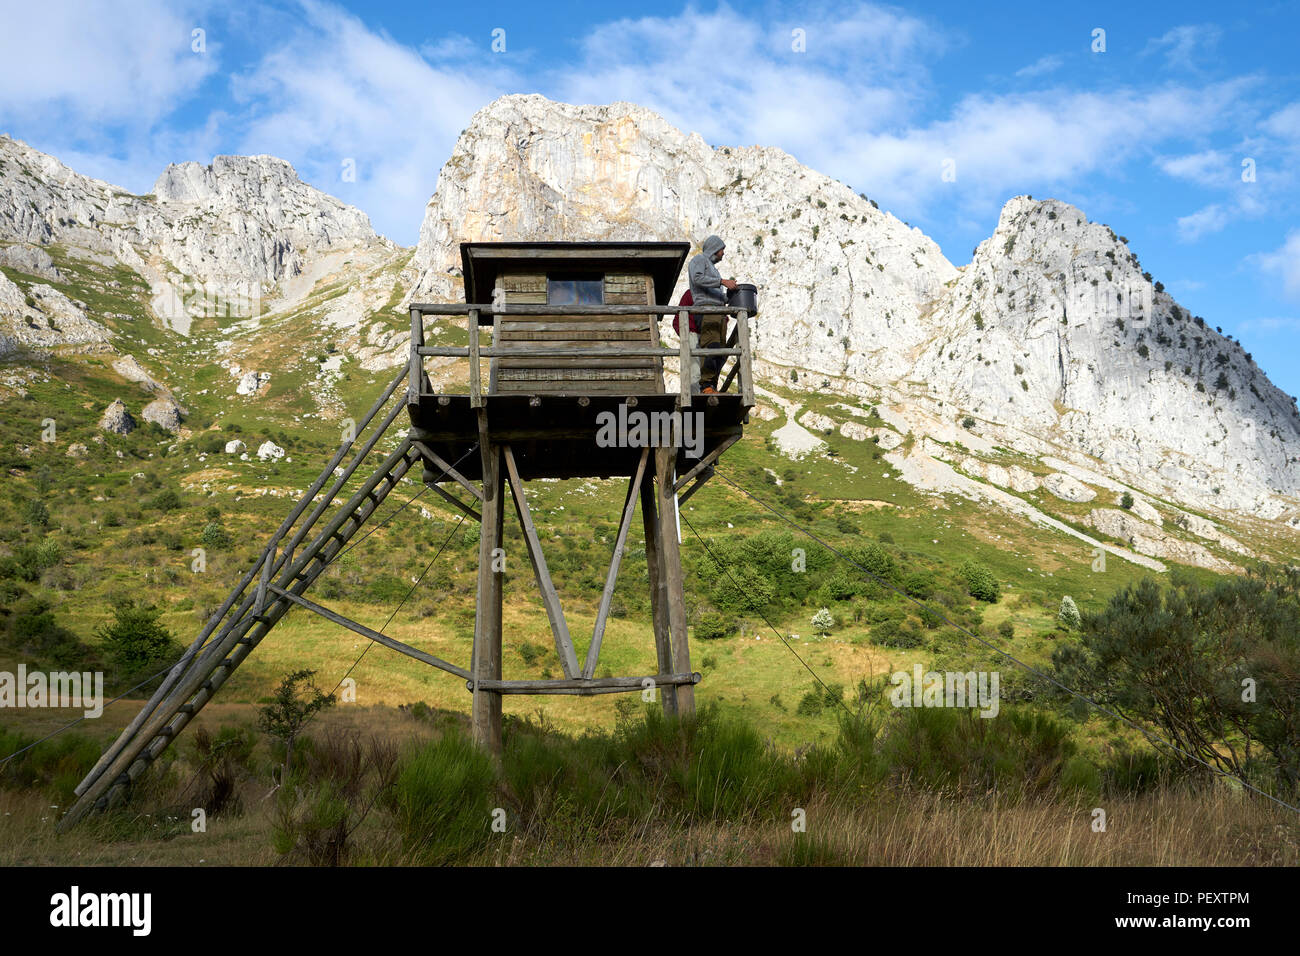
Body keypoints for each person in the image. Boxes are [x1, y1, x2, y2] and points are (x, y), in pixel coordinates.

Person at [686, 235, 737, 393]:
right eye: (722, 249)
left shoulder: (713, 268)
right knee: (711, 345)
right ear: (715, 248)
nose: (723, 253)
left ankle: (711, 385)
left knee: (719, 351)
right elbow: (697, 278)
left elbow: (716, 294)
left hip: (717, 312)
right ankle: (705, 385)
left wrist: (728, 295)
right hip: (706, 310)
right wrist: (722, 282)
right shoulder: (699, 260)